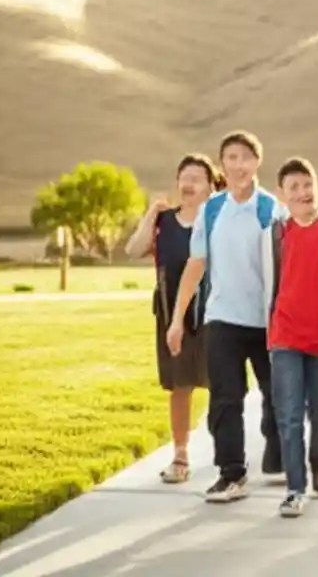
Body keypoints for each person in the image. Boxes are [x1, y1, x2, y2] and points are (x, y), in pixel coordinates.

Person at [167, 130, 287, 504]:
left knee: (276, 396)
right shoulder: (212, 209)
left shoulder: (272, 210)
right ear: (223, 165)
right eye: (230, 158)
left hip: (267, 321)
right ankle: (231, 473)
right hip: (222, 319)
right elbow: (196, 264)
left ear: (257, 163)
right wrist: (176, 319)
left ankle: (279, 451)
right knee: (225, 399)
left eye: (245, 157)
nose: (238, 165)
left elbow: (287, 268)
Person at [123, 154, 225, 484]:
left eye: (197, 177)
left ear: (211, 185)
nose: (189, 183)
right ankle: (180, 456)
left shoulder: (220, 218)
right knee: (179, 386)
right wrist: (151, 214)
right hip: (171, 314)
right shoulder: (164, 222)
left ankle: (227, 453)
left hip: (213, 312)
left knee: (222, 385)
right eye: (184, 176)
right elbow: (133, 250)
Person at [261, 157, 318, 518]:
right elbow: (269, 288)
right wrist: (270, 336)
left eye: (307, 184)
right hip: (285, 337)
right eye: (294, 187)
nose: (303, 192)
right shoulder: (273, 236)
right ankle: (295, 489)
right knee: (289, 415)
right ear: (282, 196)